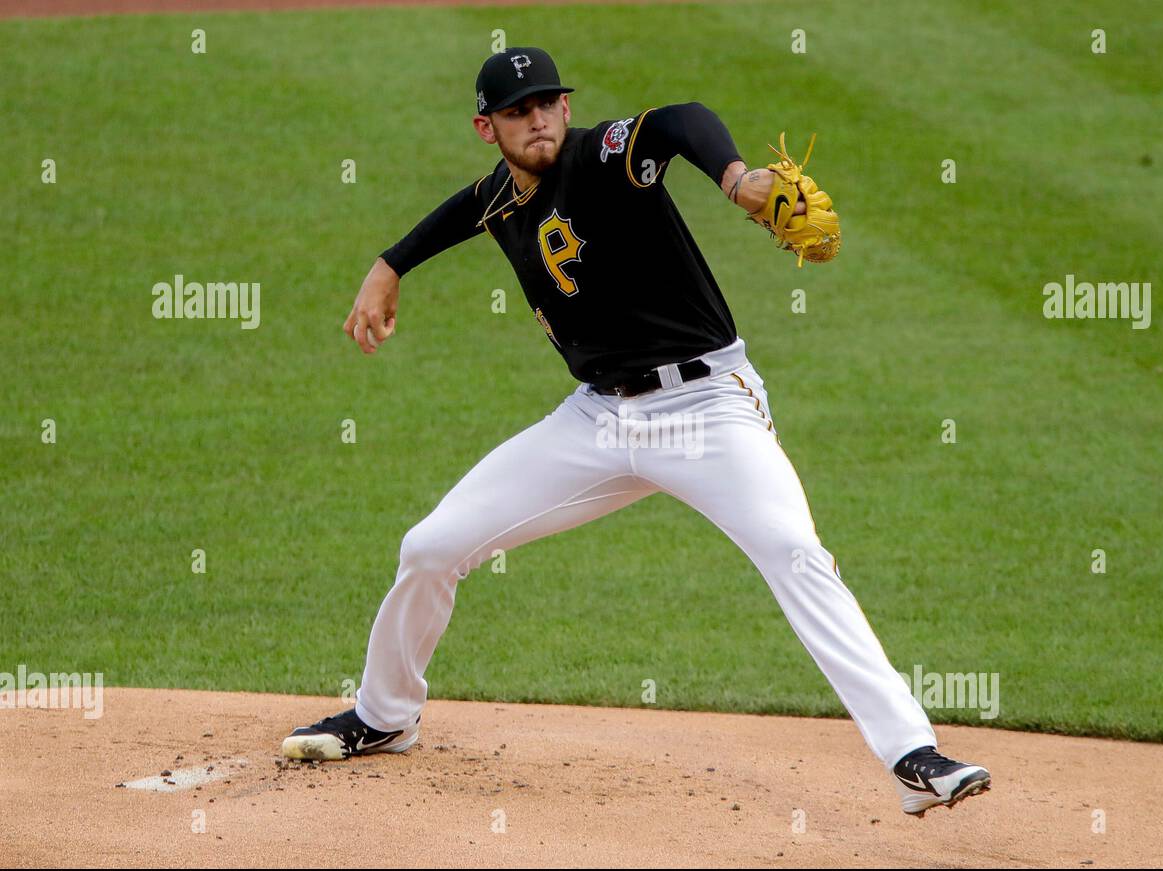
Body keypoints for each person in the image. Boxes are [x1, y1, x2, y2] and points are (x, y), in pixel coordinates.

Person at [281, 47, 991, 818]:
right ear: (487, 128)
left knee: (794, 552)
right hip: (596, 421)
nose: (540, 119)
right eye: (519, 111)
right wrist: (388, 266)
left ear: (566, 106)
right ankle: (384, 718)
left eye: (549, 103)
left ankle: (912, 755)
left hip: (708, 410)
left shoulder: (606, 155)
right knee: (429, 546)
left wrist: (737, 177)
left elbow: (680, 123)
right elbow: (460, 212)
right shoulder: (499, 198)